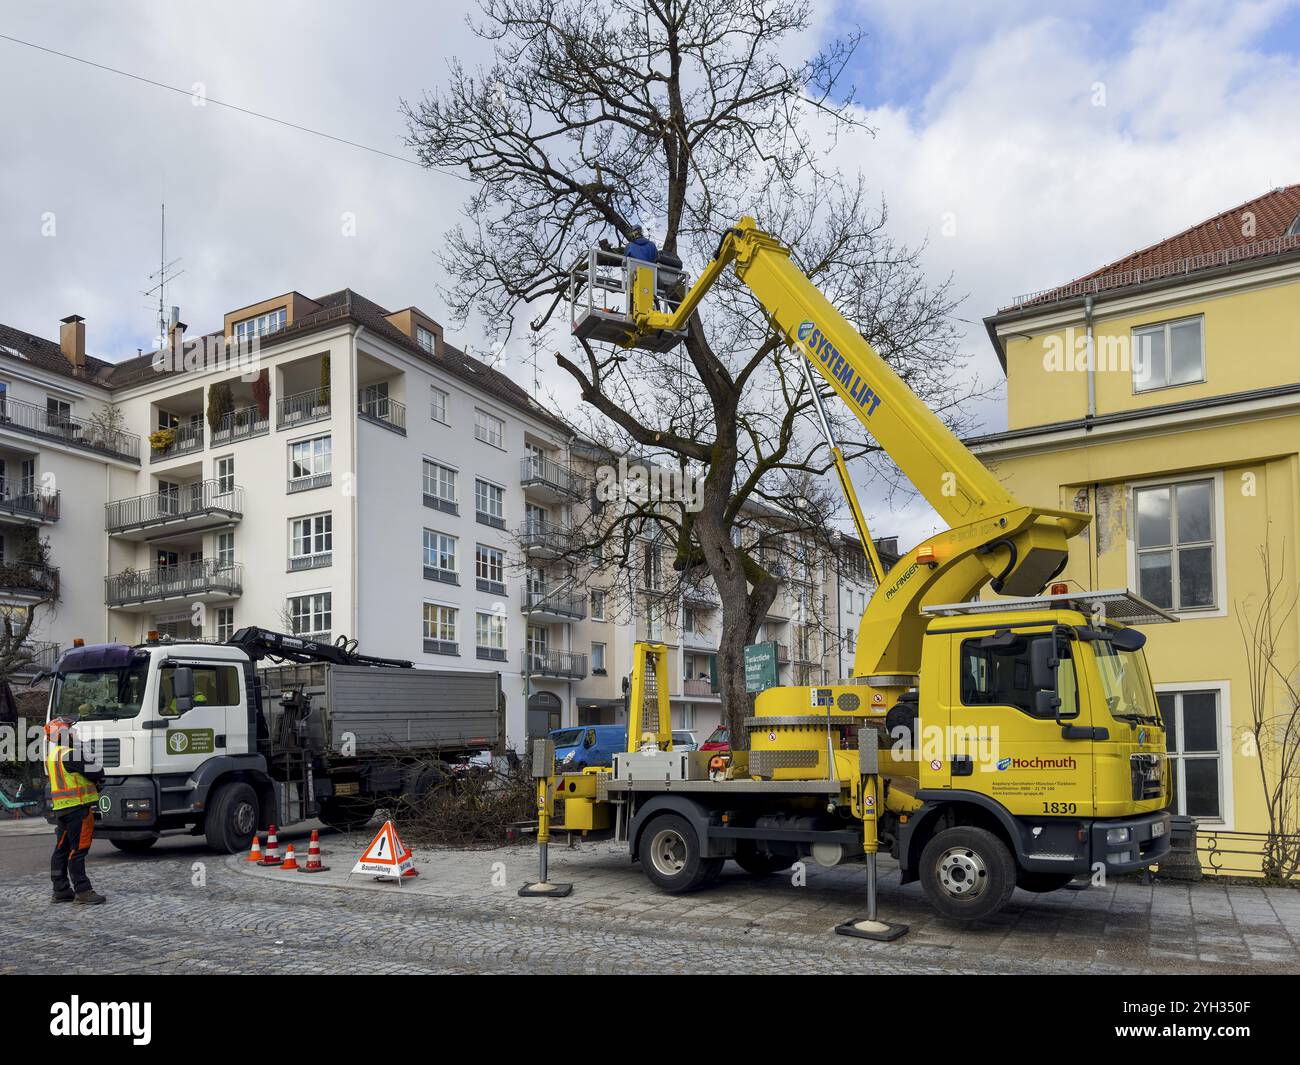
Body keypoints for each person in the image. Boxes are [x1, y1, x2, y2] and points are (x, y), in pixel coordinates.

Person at [44, 717, 106, 905]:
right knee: (78, 849)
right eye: (72, 730)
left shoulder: (53, 755)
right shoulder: (72, 754)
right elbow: (98, 772)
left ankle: (60, 890)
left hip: (63, 809)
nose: (76, 733)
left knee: (61, 849)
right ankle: (83, 890)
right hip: (79, 808)